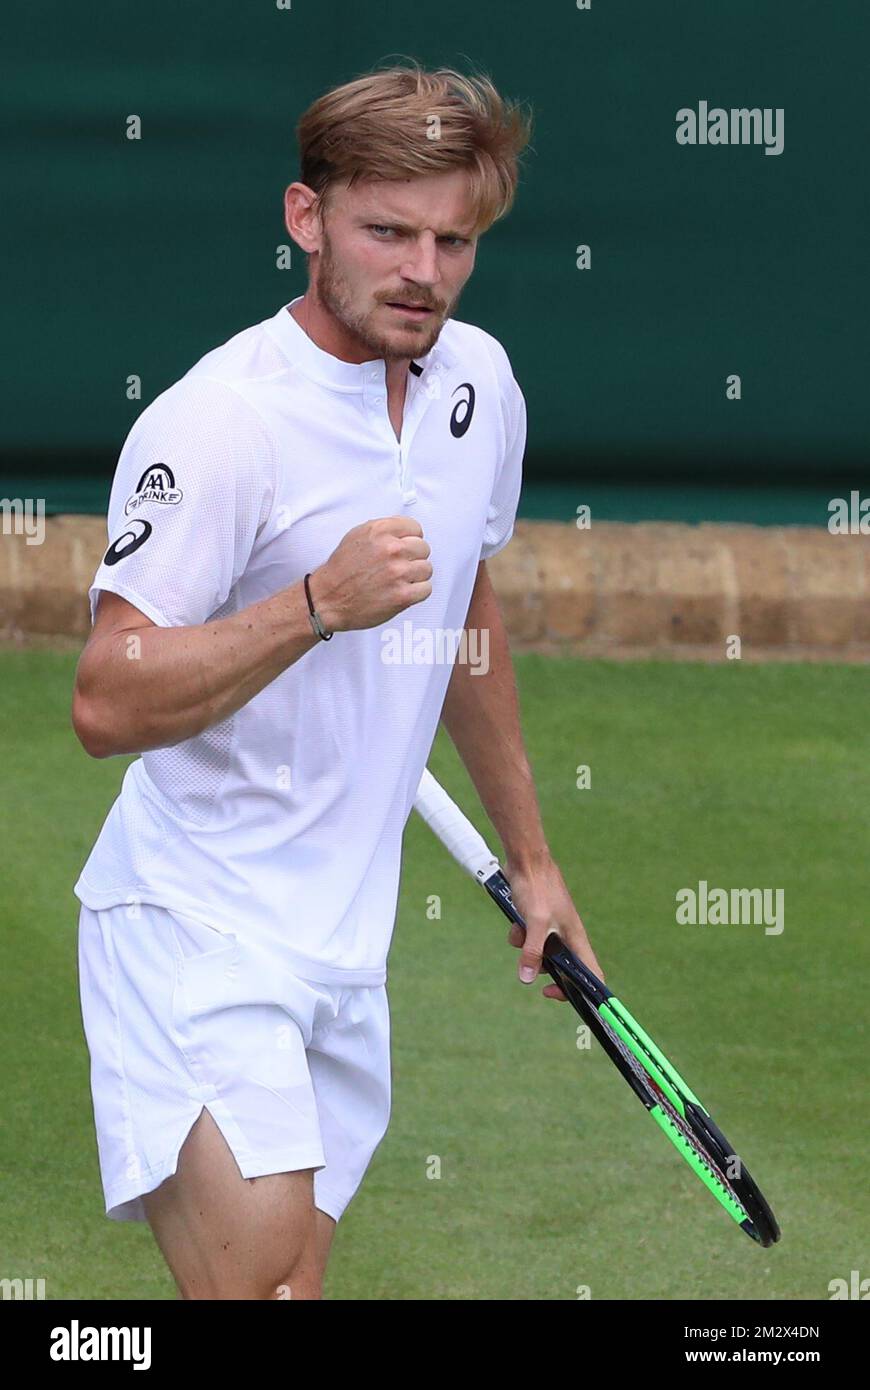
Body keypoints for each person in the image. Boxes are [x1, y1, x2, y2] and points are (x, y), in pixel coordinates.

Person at [71, 58, 602, 1301]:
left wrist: (533, 860)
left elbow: (463, 612)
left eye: (453, 240)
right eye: (387, 232)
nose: (424, 271)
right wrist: (316, 606)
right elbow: (105, 698)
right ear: (306, 218)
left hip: (345, 951)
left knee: (294, 1288)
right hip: (193, 926)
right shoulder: (221, 422)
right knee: (255, 1282)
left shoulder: (482, 384)